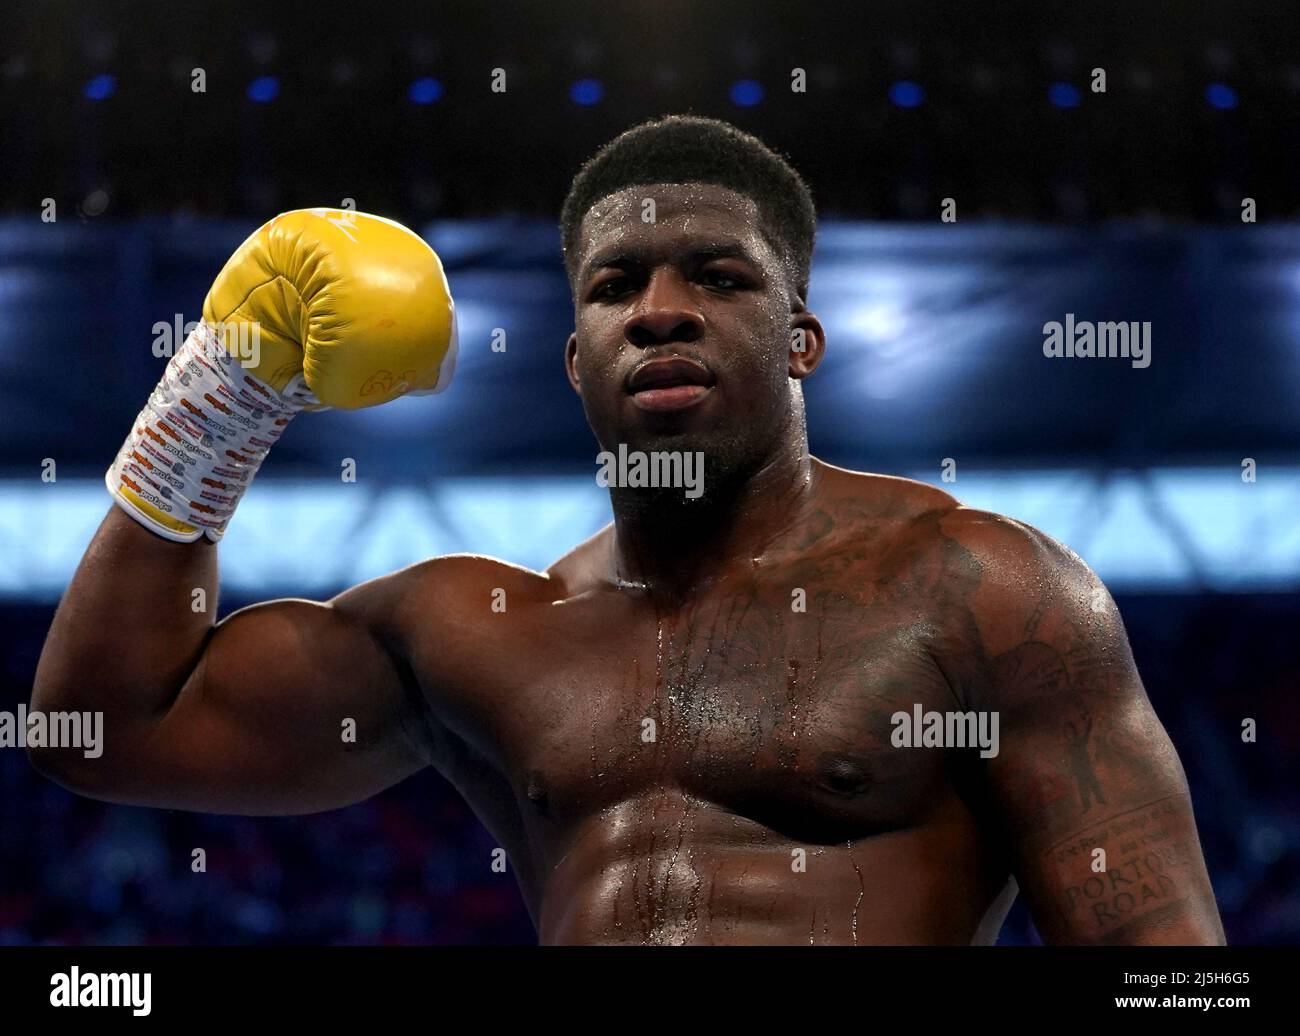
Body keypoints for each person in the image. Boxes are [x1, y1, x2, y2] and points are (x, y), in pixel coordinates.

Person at [31, 115, 1225, 945]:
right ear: (572, 358)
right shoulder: (473, 629)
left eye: (716, 275)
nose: (660, 311)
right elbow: (108, 730)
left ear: (800, 338)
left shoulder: (981, 586)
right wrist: (222, 390)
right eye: (615, 287)